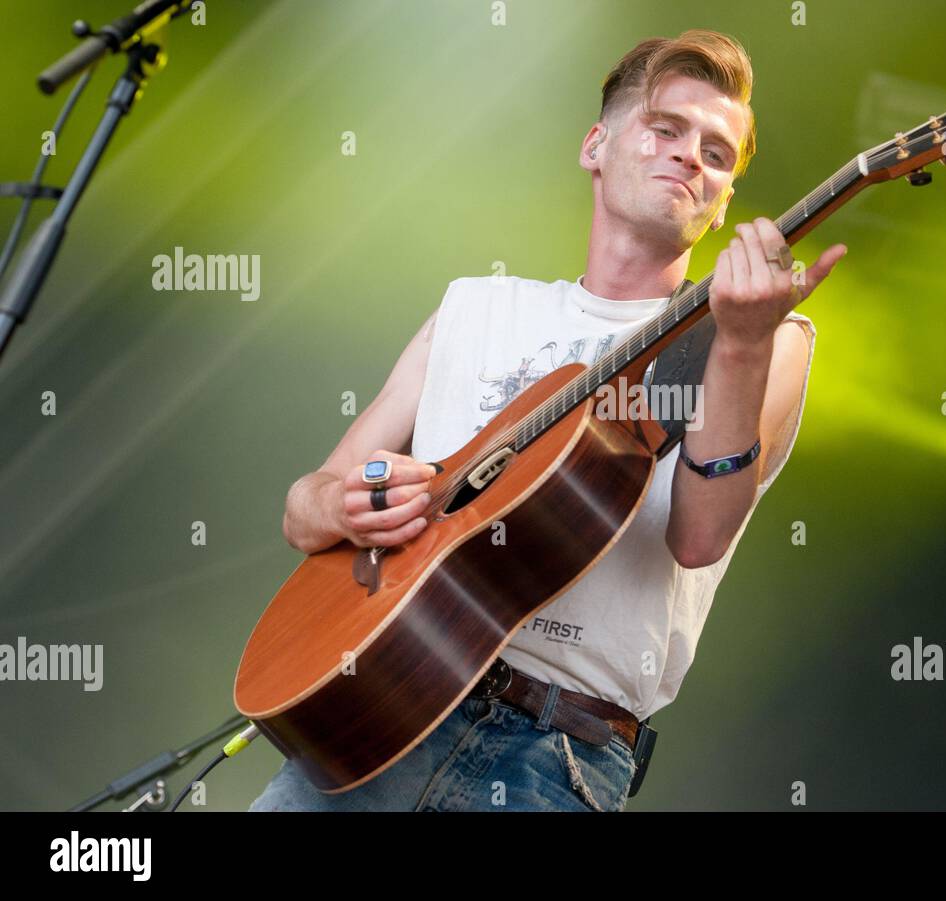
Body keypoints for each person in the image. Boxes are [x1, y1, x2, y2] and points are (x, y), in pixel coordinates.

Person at [249, 28, 845, 812]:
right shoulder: (477, 306)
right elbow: (305, 507)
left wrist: (739, 345)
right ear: (596, 145)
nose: (690, 156)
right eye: (665, 129)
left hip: (554, 759)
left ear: (726, 197)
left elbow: (699, 537)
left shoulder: (763, 337)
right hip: (381, 709)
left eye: (718, 153)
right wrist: (339, 502)